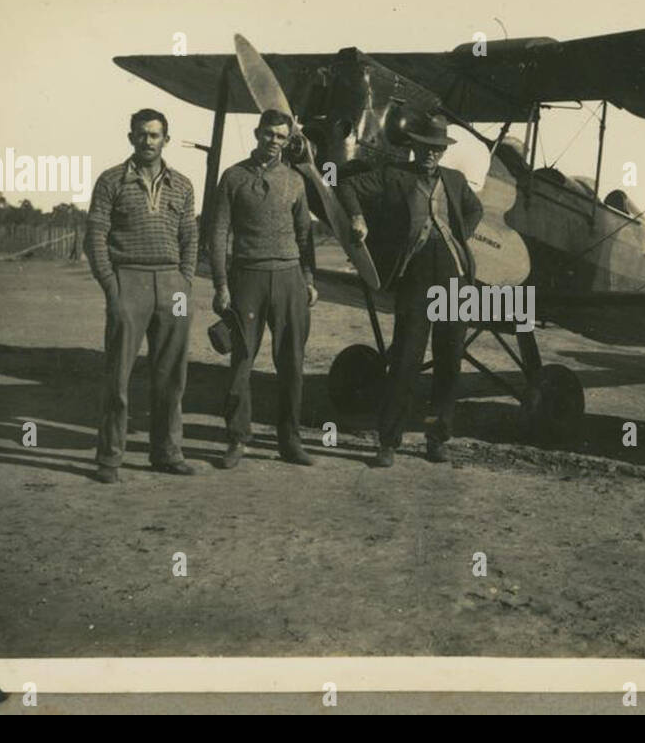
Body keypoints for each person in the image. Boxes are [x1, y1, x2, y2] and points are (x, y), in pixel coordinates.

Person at [335, 113, 483, 467]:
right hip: (414, 276)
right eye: (425, 147)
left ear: (443, 151)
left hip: (454, 276)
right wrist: (357, 217)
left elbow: (475, 210)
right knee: (404, 360)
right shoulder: (393, 176)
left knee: (449, 360)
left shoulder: (456, 181)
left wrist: (459, 237)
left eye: (437, 148)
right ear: (414, 146)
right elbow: (347, 186)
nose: (431, 154)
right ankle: (389, 442)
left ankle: (437, 438)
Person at [85, 108, 198, 483]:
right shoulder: (111, 181)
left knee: (172, 374)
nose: (148, 141)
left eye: (155, 135)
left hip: (173, 285)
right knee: (118, 375)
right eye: (141, 134)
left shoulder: (182, 184)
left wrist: (184, 281)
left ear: (166, 139)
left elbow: (190, 237)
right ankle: (110, 458)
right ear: (130, 137)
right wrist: (111, 286)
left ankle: (167, 452)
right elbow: (96, 235)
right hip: (128, 282)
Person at [209, 109, 319, 469]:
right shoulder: (233, 177)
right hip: (247, 279)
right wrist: (221, 284)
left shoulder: (295, 180)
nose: (273, 142)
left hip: (289, 278)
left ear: (288, 141)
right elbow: (219, 232)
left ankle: (290, 441)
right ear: (257, 133)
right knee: (242, 361)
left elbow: (305, 234)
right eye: (268, 134)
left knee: (292, 363)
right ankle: (237, 440)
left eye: (281, 137)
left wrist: (310, 279)